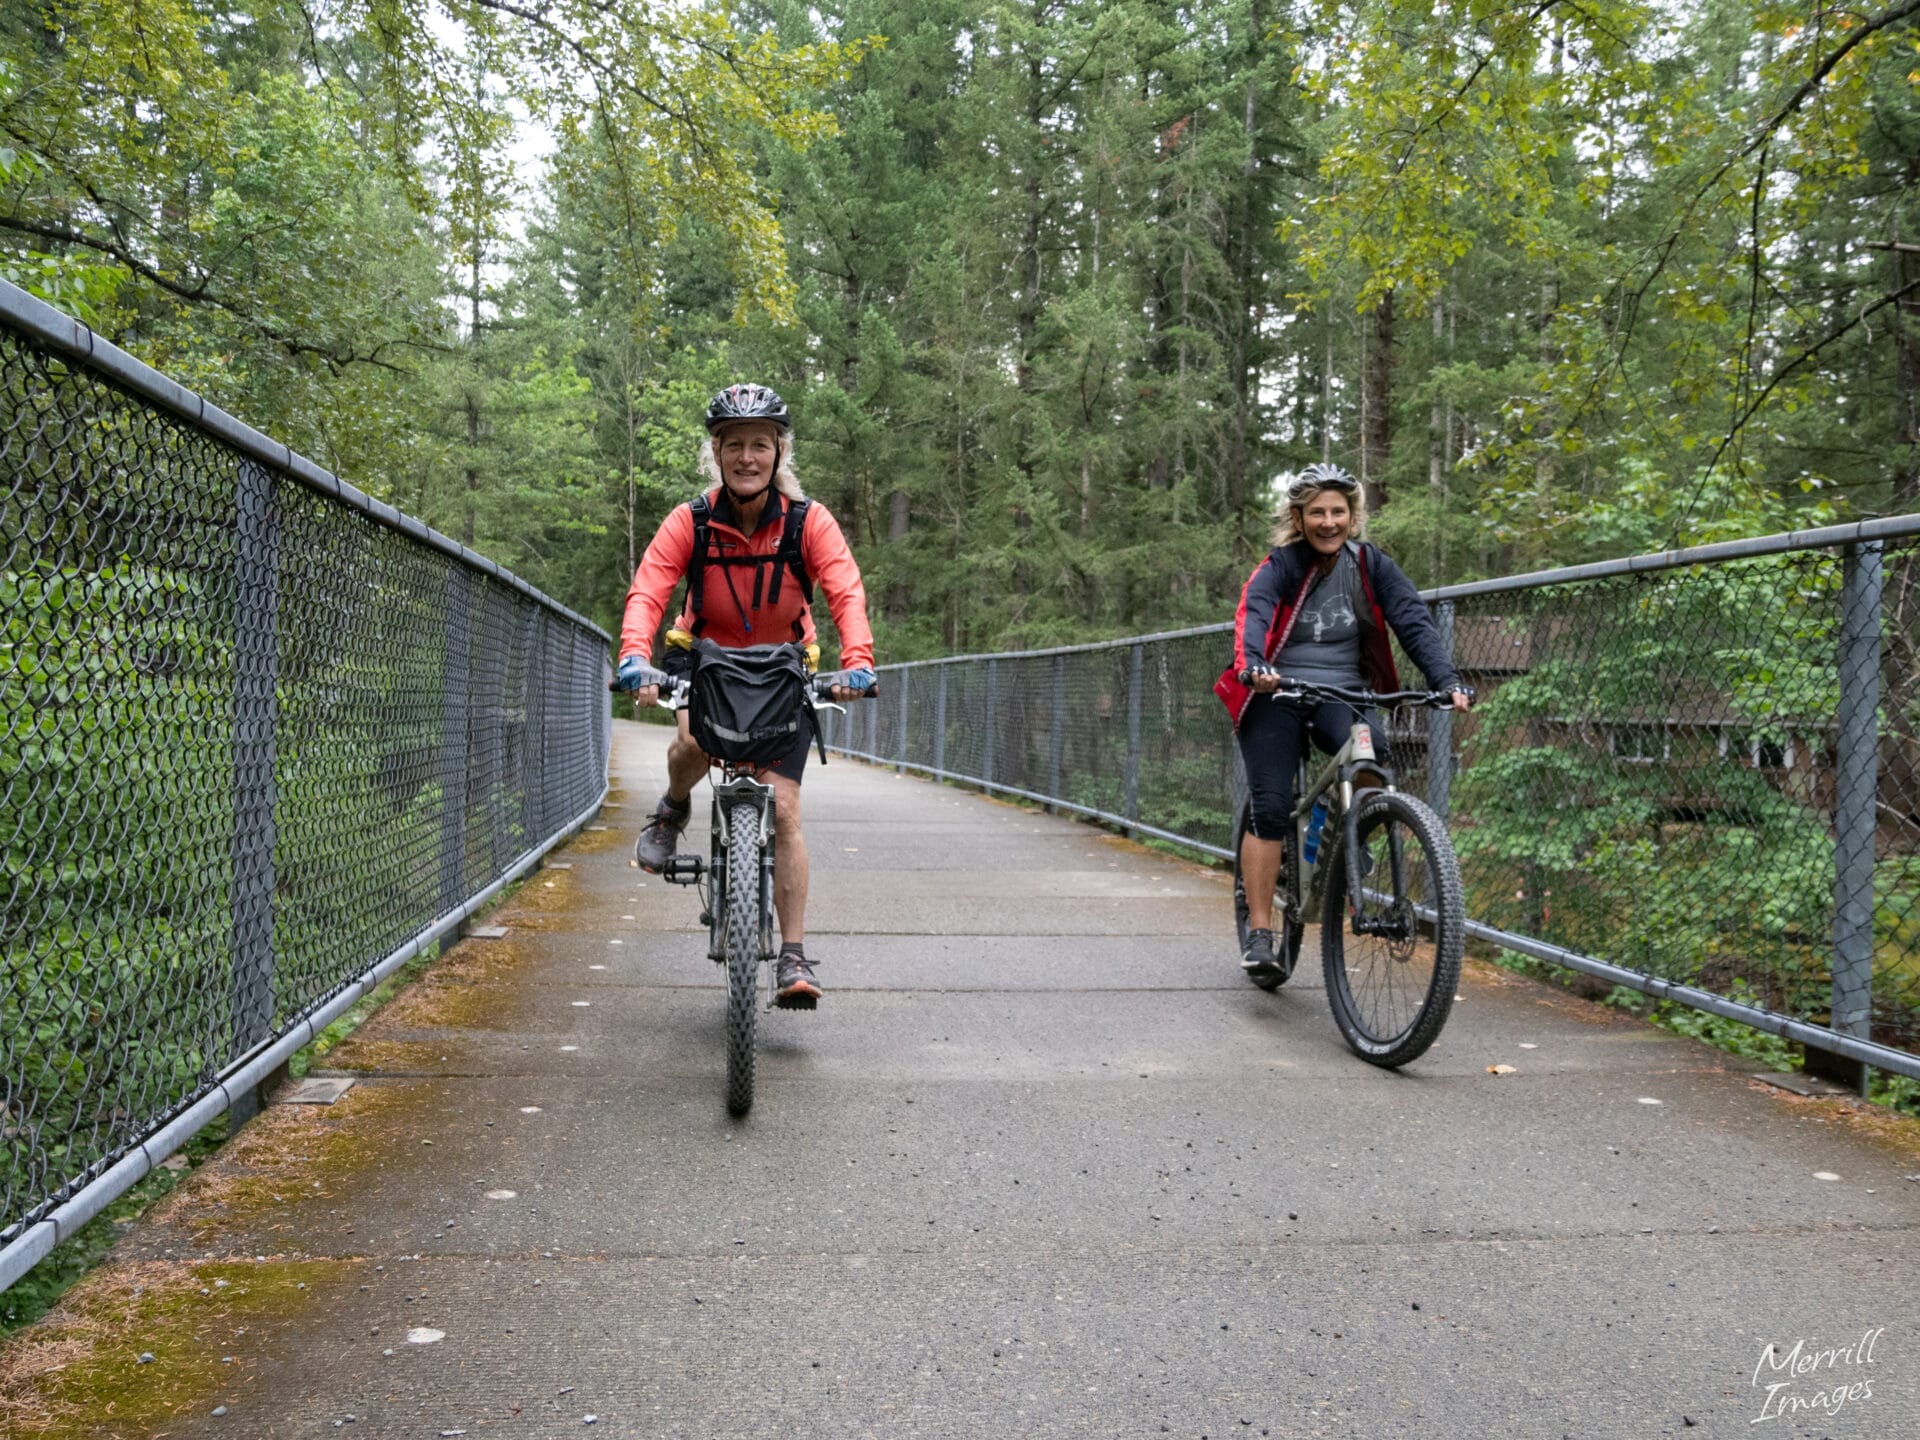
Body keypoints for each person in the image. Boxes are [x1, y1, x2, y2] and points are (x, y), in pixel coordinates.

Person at [613, 383, 875, 1008]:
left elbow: (844, 591)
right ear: (716, 452)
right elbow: (650, 588)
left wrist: (858, 663)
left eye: (761, 444)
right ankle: (673, 808)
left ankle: (793, 956)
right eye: (734, 445)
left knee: (784, 808)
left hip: (784, 666)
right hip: (703, 657)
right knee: (692, 749)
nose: (747, 457)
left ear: (779, 452)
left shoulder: (808, 522)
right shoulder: (693, 520)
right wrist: (635, 659)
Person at [1219, 462, 1469, 982]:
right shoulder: (1281, 565)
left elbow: (1412, 620)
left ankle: (1342, 833)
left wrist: (1446, 678)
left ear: (1352, 517)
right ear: (1298, 518)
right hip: (1276, 691)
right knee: (1270, 805)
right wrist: (1255, 664)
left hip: (1343, 691)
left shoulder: (1371, 565)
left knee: (1372, 759)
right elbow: (1255, 613)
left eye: (1338, 512)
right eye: (1317, 513)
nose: (1329, 522)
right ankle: (1261, 933)